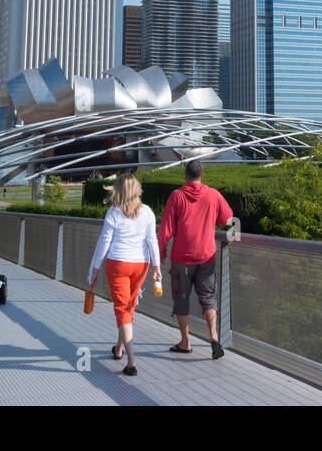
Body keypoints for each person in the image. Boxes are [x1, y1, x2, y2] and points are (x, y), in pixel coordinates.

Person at [157, 160, 233, 359]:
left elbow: (166, 229)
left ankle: (186, 342)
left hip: (182, 258)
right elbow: (227, 218)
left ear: (185, 175)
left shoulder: (177, 196)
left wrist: (161, 252)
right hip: (206, 256)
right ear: (203, 175)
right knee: (208, 298)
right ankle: (214, 336)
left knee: (182, 299)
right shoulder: (213, 195)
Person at [88, 175, 161, 376]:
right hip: (141, 264)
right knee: (128, 307)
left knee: (122, 309)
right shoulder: (147, 212)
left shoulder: (113, 212)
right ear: (137, 189)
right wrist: (157, 267)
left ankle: (131, 362)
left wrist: (95, 267)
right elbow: (152, 240)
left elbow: (105, 241)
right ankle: (119, 349)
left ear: (118, 190)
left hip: (118, 263)